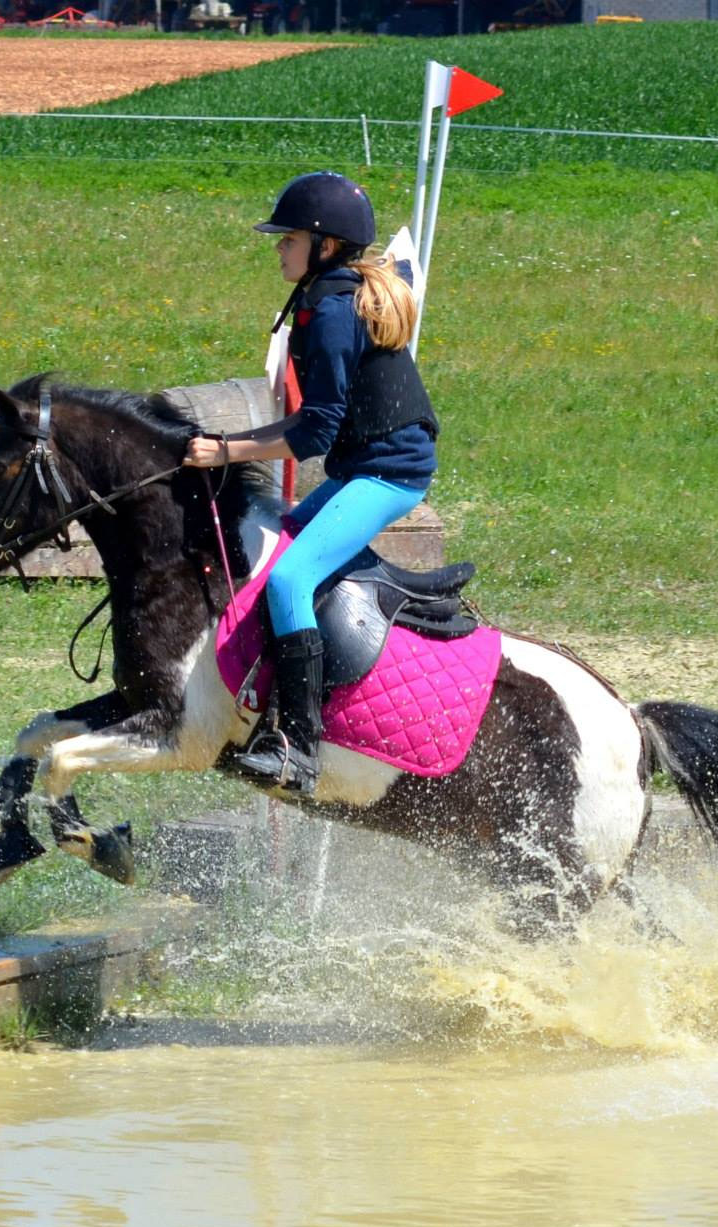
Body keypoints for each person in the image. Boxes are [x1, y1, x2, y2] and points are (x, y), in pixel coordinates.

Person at [183, 171, 439, 796]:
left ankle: (298, 749)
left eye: (288, 238)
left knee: (290, 578)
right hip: (363, 467)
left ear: (324, 246)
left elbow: (315, 432)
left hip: (389, 474)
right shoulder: (323, 297)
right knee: (275, 548)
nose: (278, 247)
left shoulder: (329, 312)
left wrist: (225, 451)